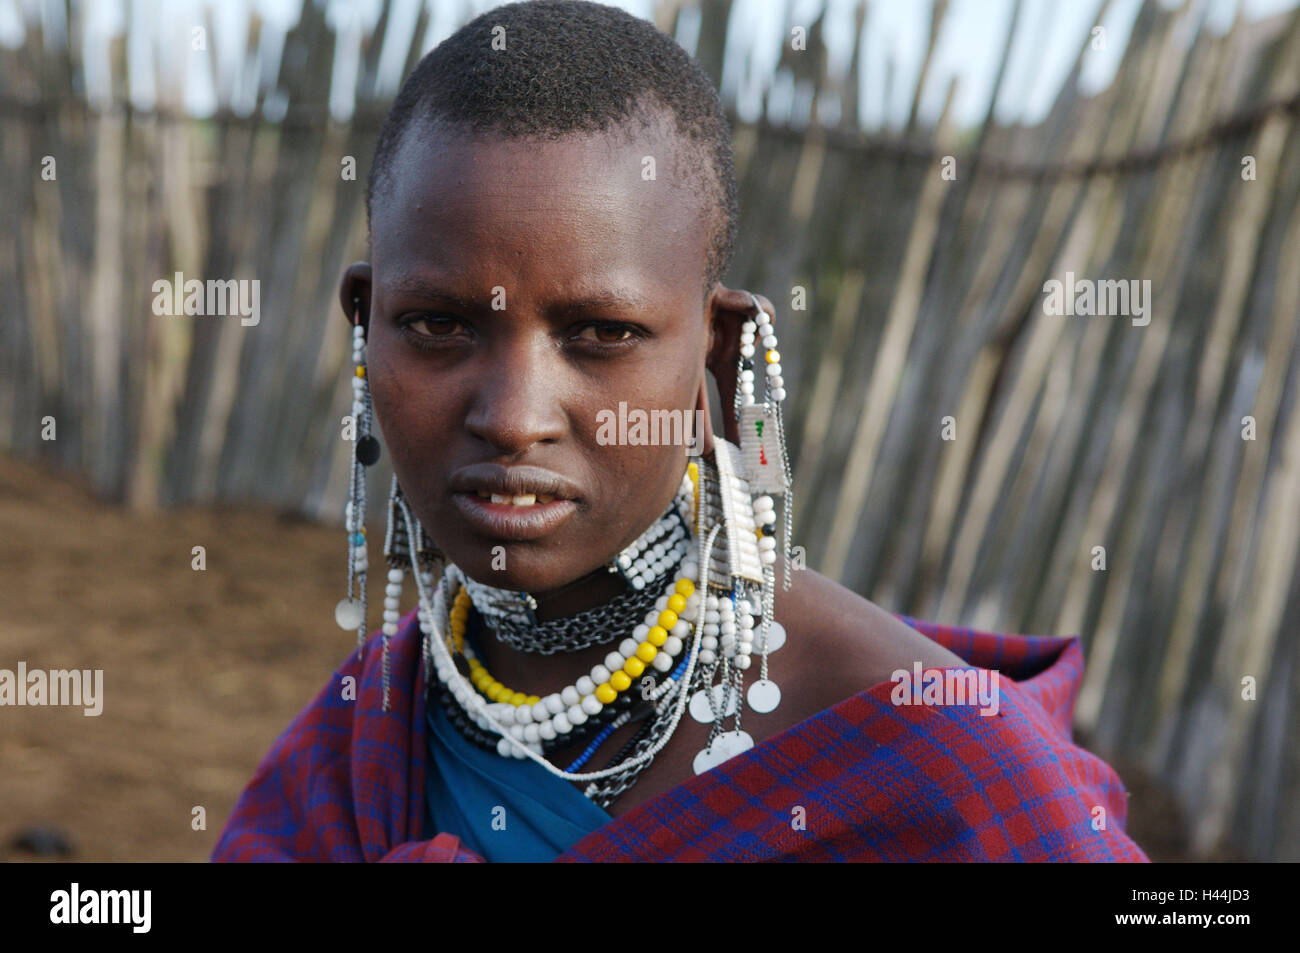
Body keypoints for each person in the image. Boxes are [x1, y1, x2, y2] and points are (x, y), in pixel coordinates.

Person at [212, 0, 1148, 863]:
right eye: (439, 326)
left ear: (718, 352)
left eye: (602, 335)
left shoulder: (948, 773)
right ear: (366, 325)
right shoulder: (353, 751)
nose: (511, 416)